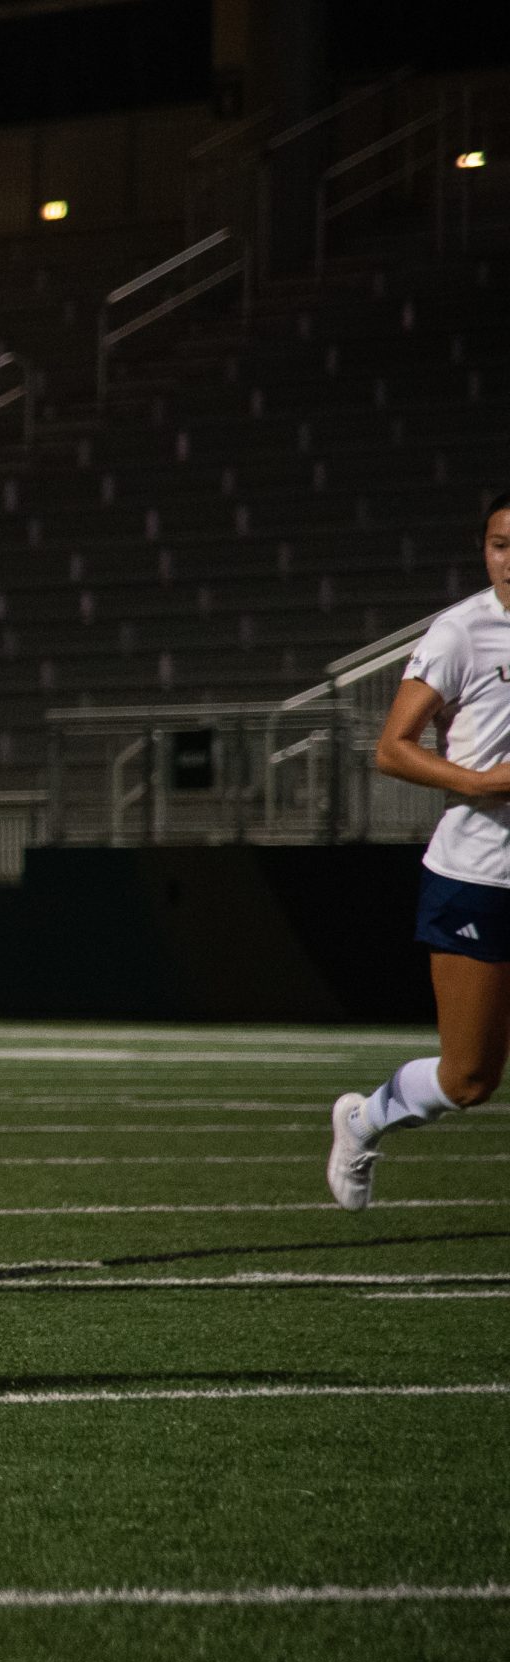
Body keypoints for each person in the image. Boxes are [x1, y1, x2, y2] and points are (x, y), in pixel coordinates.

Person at [330, 493, 510, 1207]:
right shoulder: (462, 633)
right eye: (500, 545)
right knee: (469, 1080)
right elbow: (391, 749)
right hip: (478, 875)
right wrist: (480, 781)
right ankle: (362, 1119)